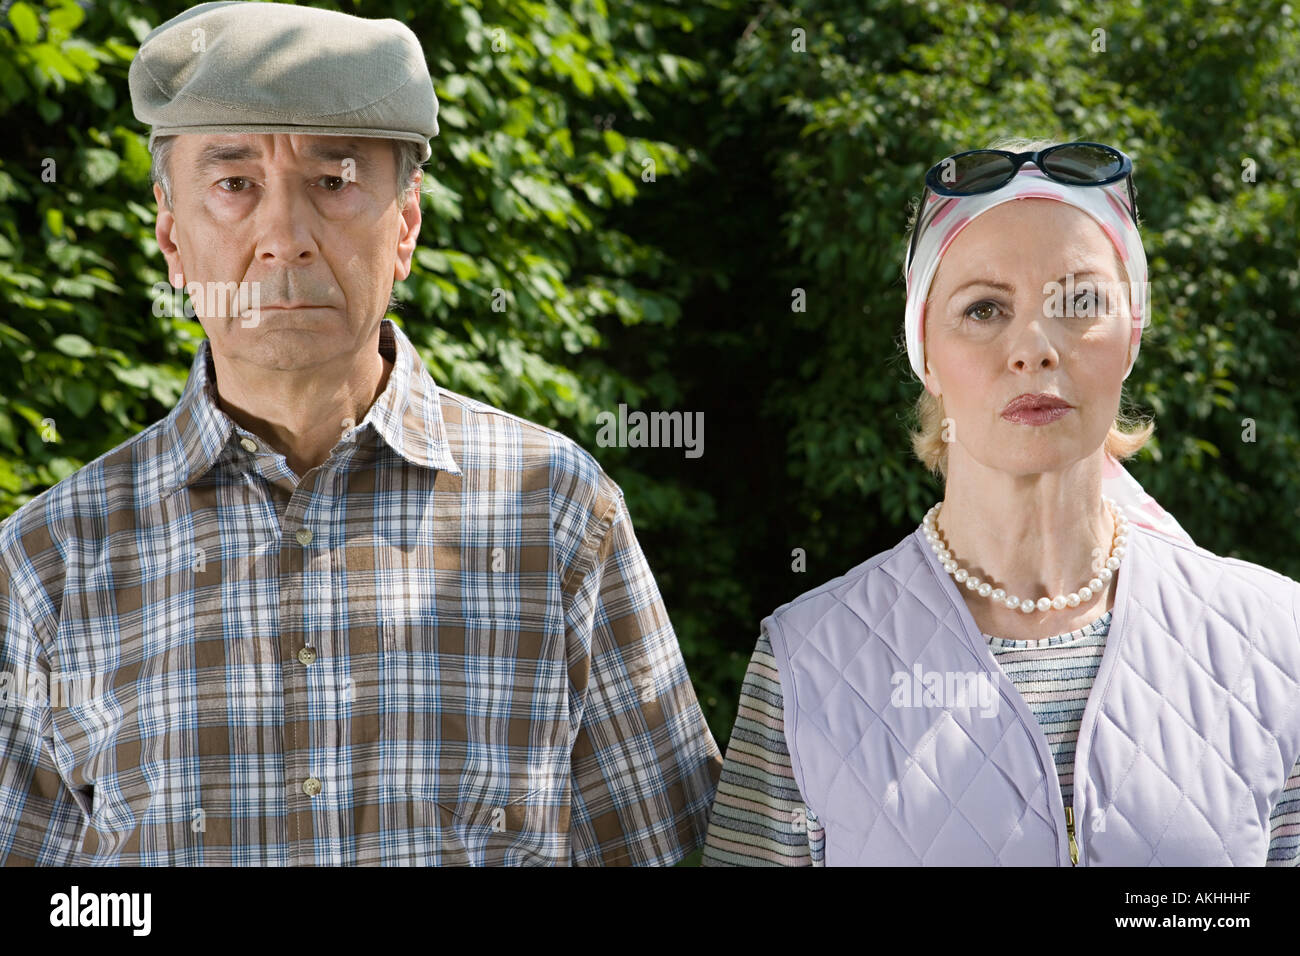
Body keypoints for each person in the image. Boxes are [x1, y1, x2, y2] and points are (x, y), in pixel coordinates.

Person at [0, 1, 721, 866]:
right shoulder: (50, 561)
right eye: (234, 185)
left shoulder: (556, 513)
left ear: (406, 225)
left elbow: (669, 852)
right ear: (171, 238)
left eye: (334, 182)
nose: (285, 238)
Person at [703, 137, 1300, 866]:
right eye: (984, 309)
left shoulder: (1275, 641)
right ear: (925, 347)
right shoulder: (805, 660)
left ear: (1131, 335)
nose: (1033, 348)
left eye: (1080, 300)